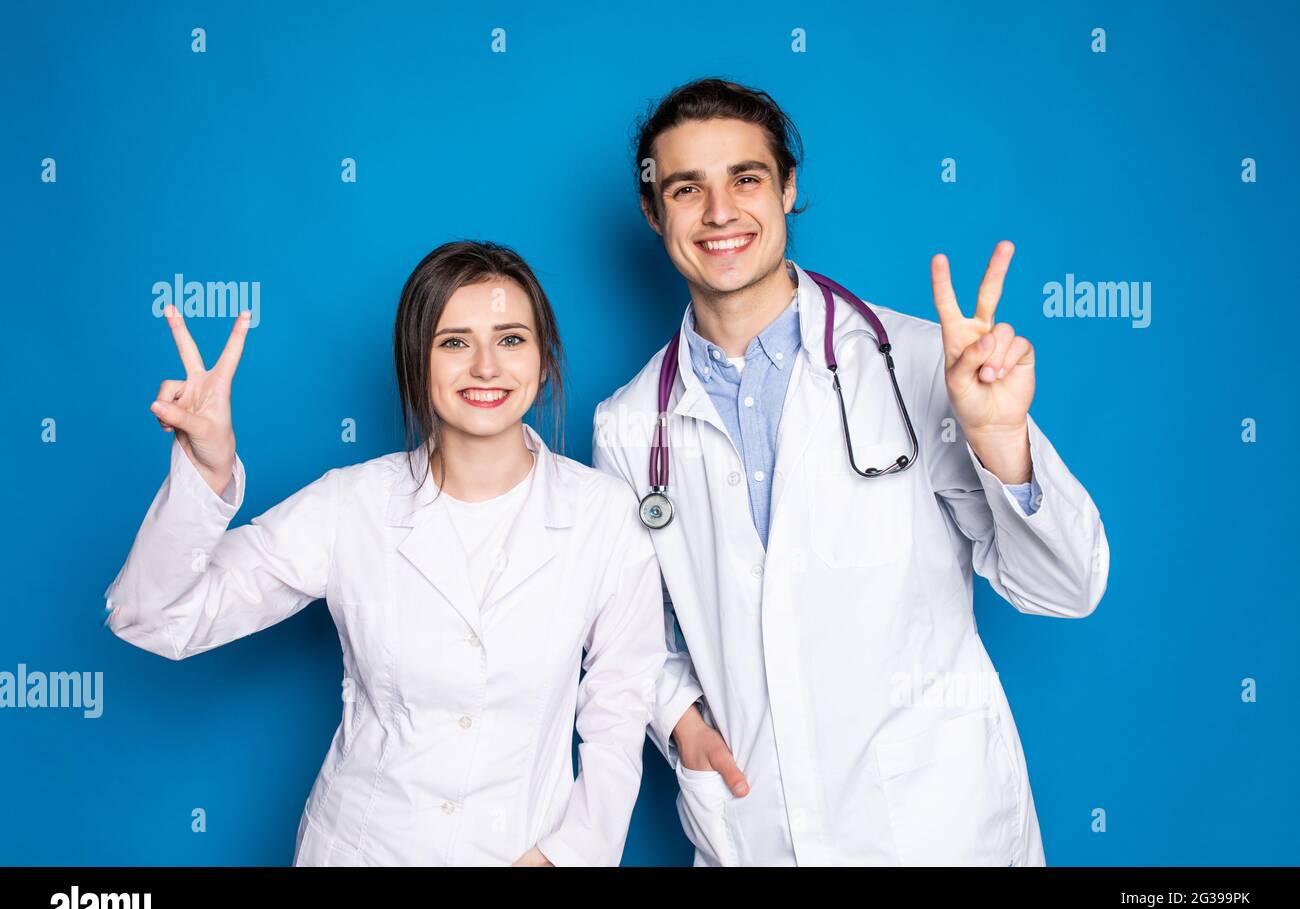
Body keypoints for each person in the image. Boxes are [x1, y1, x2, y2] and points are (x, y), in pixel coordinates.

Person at [593, 78, 1110, 866]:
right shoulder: (629, 426)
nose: (720, 212)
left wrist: (1002, 437)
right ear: (653, 212)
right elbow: (631, 632)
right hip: (757, 828)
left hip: (935, 825)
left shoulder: (916, 361)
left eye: (746, 179)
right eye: (686, 189)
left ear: (789, 189)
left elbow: (1067, 589)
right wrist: (680, 723)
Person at [104, 240, 667, 866]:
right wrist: (204, 469)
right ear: (415, 362)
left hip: (522, 851)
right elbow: (152, 619)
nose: (486, 366)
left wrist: (567, 855)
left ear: (544, 361)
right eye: (454, 342)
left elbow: (619, 709)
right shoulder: (350, 505)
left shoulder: (607, 515)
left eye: (511, 339)